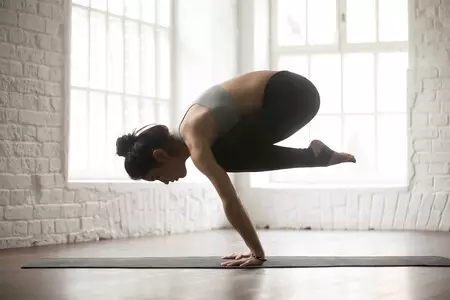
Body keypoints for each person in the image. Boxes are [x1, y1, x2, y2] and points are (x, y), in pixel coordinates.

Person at [115, 70, 356, 267]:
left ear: (161, 155)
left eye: (157, 176)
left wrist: (257, 253)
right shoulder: (192, 129)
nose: (165, 182)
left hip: (293, 95)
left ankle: (314, 157)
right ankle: (316, 155)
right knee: (224, 153)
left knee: (224, 157)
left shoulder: (196, 140)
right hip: (295, 93)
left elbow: (230, 200)